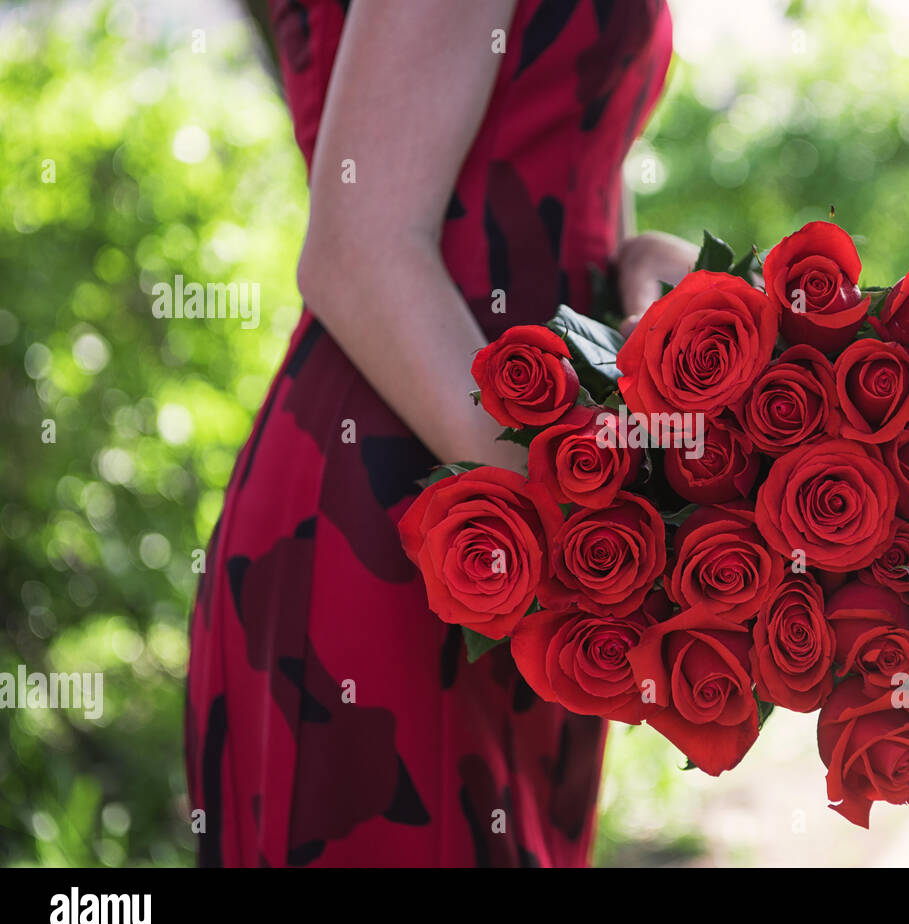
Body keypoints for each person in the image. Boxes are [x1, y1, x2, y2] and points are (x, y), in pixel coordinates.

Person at [185, 0, 697, 867]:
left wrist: (636, 265)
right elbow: (358, 251)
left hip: (531, 506)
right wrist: (587, 534)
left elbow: (558, 171)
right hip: (405, 509)